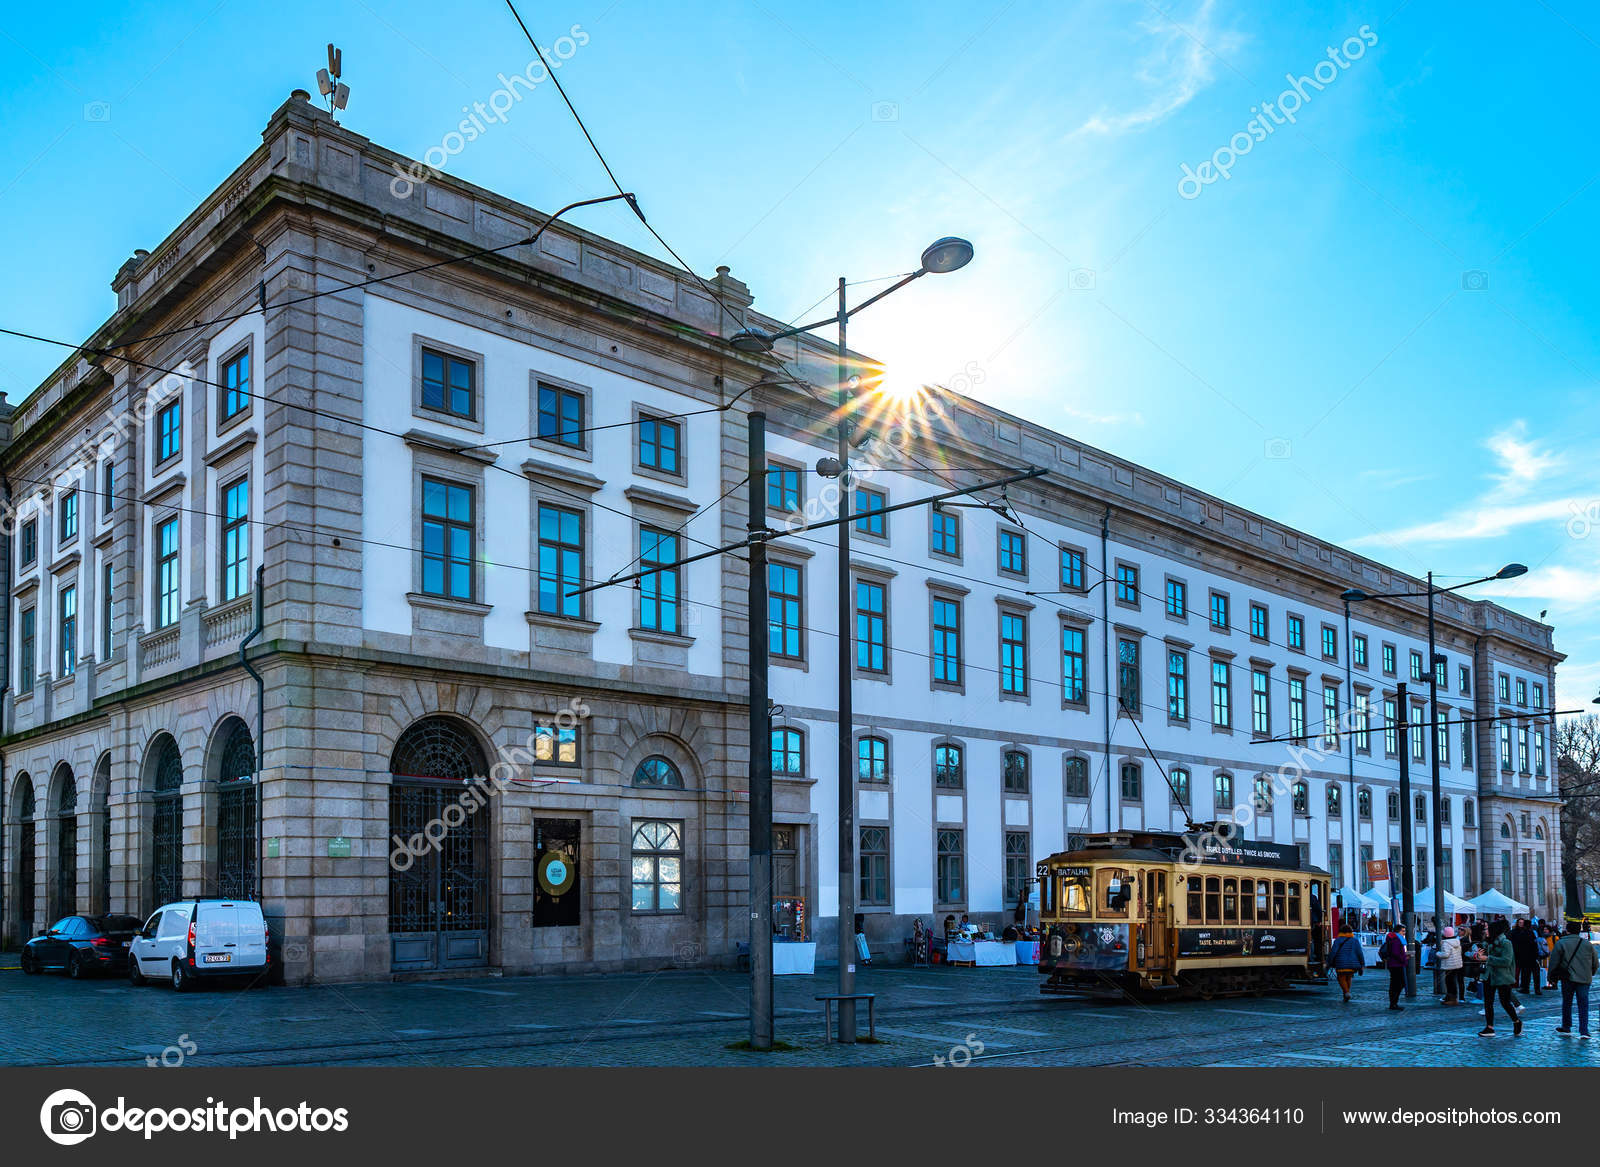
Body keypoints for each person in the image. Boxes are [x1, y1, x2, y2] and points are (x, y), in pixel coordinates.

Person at [1548, 919, 1599, 1039]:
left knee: (1567, 1002)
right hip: (1584, 978)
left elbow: (1554, 961)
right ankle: (1584, 1030)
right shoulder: (1587, 944)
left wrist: (1551, 976)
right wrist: (1590, 973)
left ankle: (1566, 1026)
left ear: (1567, 930)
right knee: (1583, 1004)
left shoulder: (1561, 943)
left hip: (1567, 978)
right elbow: (1595, 962)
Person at [1480, 920, 1522, 1037]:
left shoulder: (1506, 943)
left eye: (1488, 929)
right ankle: (1489, 1027)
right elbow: (1484, 957)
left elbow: (1506, 961)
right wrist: (1478, 956)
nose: (1485, 931)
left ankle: (1516, 1021)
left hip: (1503, 977)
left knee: (1505, 1002)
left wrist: (1487, 958)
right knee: (1488, 1002)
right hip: (1489, 975)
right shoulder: (1487, 943)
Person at [1328, 923, 1366, 1003]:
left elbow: (1333, 952)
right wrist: (1362, 964)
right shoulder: (1355, 940)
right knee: (1348, 978)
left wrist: (1329, 962)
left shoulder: (1338, 940)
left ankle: (1346, 992)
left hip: (1341, 963)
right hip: (1352, 964)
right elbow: (1359, 953)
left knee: (1341, 978)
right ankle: (1346, 994)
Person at [1381, 923, 1409, 1010]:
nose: (1404, 933)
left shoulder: (1393, 938)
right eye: (1403, 931)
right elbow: (1396, 953)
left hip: (1394, 963)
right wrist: (1404, 959)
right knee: (1398, 984)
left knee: (1396, 983)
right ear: (1398, 931)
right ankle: (1393, 1003)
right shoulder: (1396, 939)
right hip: (1396, 964)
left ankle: (1393, 1002)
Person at [1511, 918, 1542, 996]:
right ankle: (1537, 989)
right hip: (1533, 957)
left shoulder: (1521, 934)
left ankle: (1525, 988)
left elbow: (1518, 946)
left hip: (1524, 957)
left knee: (1526, 974)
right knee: (1535, 974)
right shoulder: (1532, 933)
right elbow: (1535, 945)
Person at [1438, 925, 1464, 1005]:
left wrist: (1438, 953)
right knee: (1453, 981)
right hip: (1456, 964)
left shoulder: (1446, 943)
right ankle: (1451, 997)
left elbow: (1446, 954)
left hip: (1449, 965)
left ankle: (1452, 999)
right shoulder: (1457, 941)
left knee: (1449, 982)